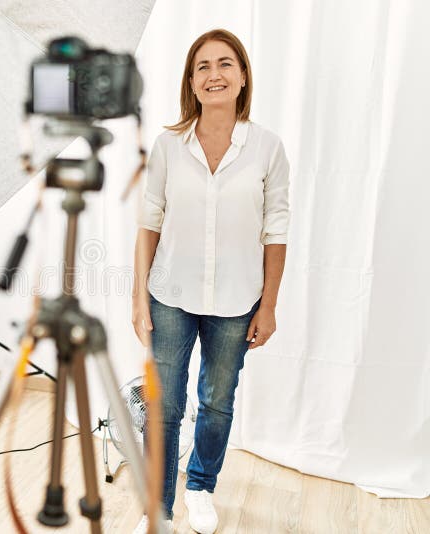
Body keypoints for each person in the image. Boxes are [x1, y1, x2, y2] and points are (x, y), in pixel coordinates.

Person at [131, 29, 289, 534]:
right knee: (164, 405)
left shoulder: (267, 148)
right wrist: (138, 299)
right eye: (202, 66)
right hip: (170, 296)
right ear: (191, 81)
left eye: (224, 64)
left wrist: (269, 306)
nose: (213, 74)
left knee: (217, 402)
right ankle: (157, 508)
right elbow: (149, 223)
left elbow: (276, 230)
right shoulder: (168, 146)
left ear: (242, 77)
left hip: (238, 300)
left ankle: (200, 487)